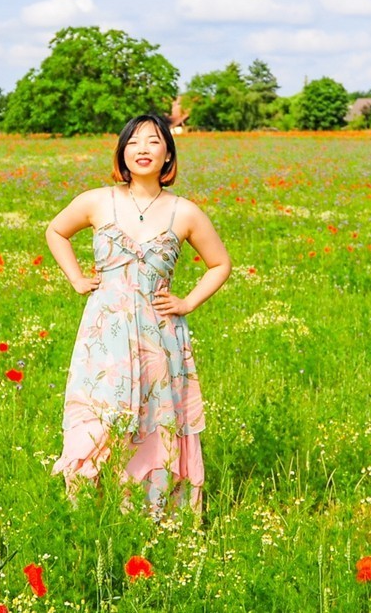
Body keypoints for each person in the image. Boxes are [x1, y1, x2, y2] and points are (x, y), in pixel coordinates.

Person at [45, 113, 231, 516]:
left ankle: (149, 514)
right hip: (104, 335)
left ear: (168, 154)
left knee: (154, 418)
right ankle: (90, 513)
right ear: (122, 152)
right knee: (97, 418)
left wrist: (187, 302)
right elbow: (55, 231)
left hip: (159, 336)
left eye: (153, 141)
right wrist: (76, 279)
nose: (143, 149)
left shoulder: (185, 212)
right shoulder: (98, 201)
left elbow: (220, 264)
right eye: (133, 142)